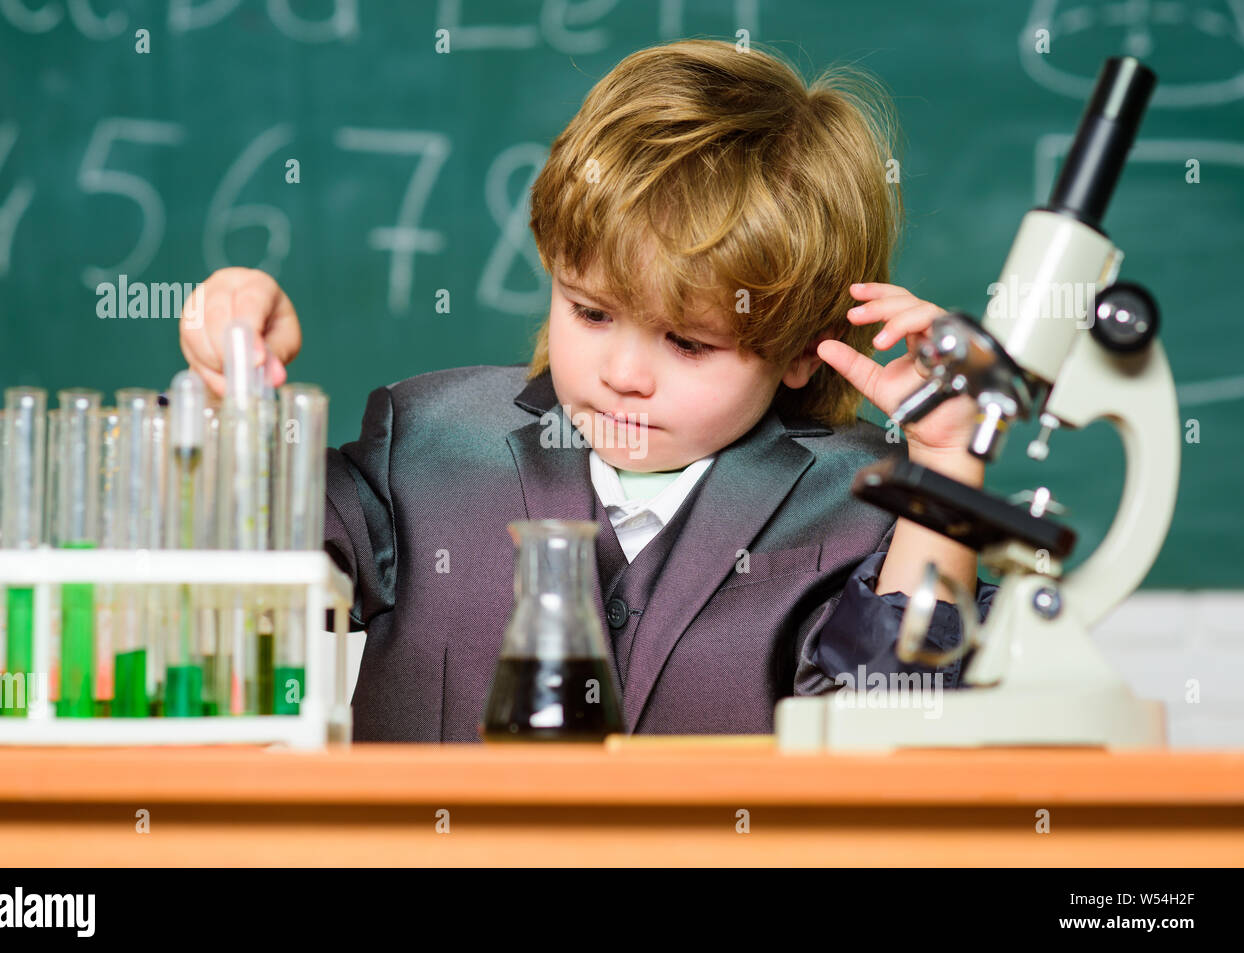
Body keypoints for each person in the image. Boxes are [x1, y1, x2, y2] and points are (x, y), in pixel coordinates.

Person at [179, 39, 998, 742]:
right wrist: (232, 389)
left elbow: (899, 719)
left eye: (688, 341)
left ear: (798, 349)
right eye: (592, 311)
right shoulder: (426, 445)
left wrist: (948, 463)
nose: (624, 374)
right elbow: (231, 559)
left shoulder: (866, 512)